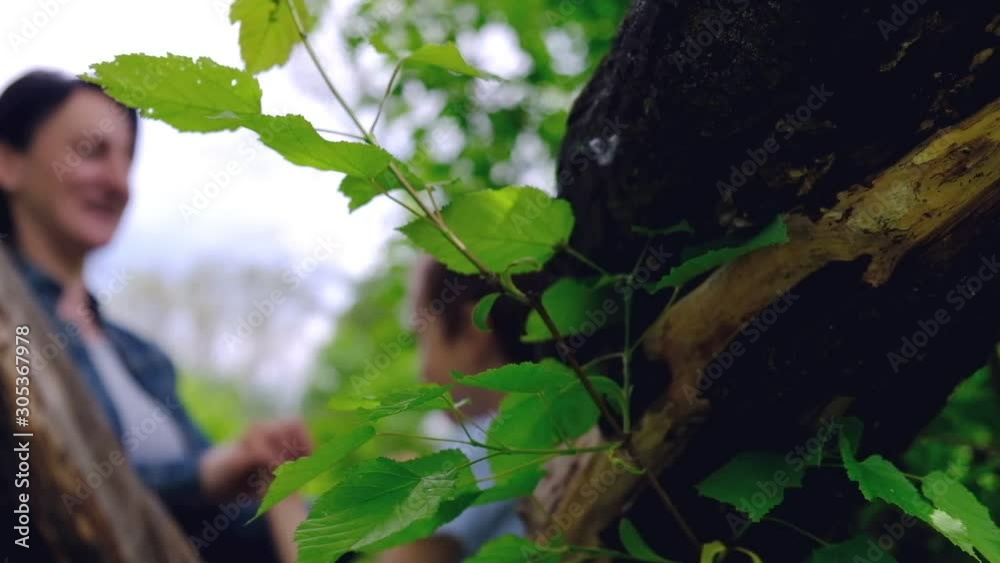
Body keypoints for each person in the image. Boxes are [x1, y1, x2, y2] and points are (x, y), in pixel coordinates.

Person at [0, 70, 310, 563]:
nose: (119, 181)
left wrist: (259, 465)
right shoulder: (12, 337)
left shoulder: (144, 359)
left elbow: (214, 509)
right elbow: (34, 506)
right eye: (91, 151)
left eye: (128, 160)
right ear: (9, 163)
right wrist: (207, 476)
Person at [378, 256, 537, 562]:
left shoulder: (492, 443)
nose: (422, 372)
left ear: (473, 329)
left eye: (423, 340)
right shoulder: (554, 418)